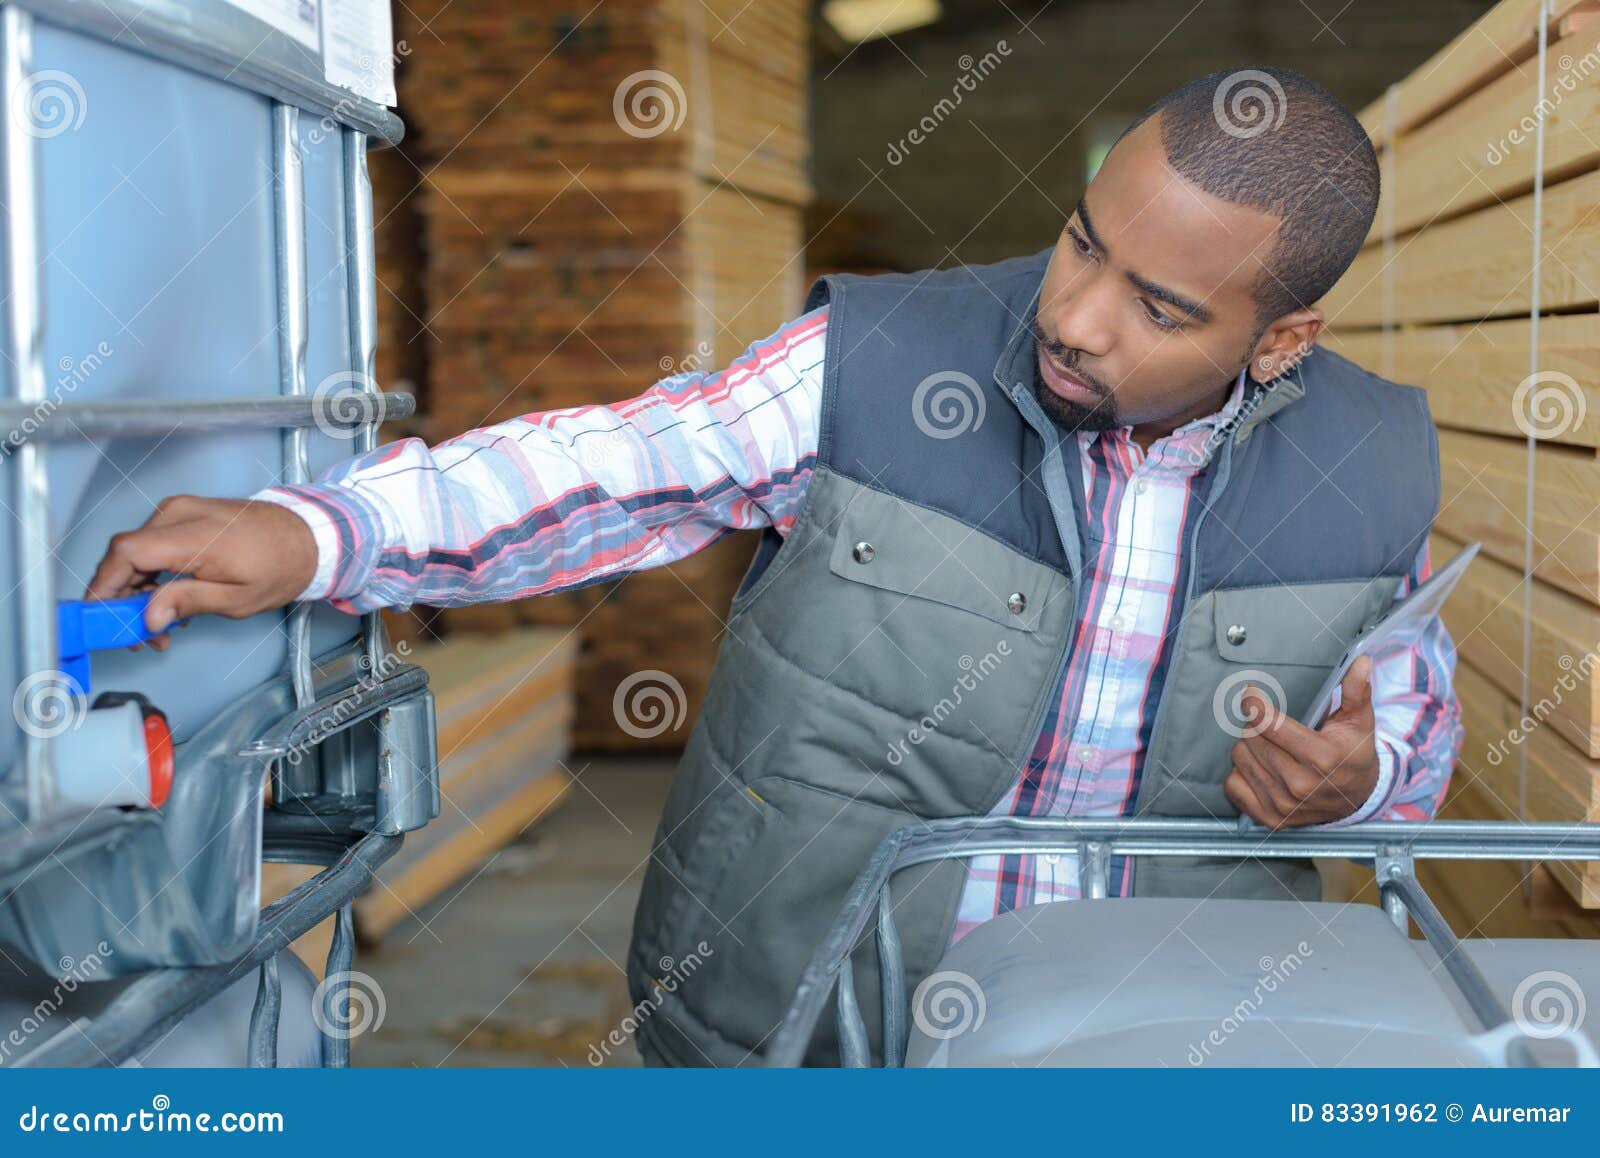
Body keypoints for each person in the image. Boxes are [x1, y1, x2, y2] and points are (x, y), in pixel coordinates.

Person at [87, 67, 1463, 1066]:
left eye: (1159, 308)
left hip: (1142, 1051)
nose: (1079, 319)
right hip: (803, 1037)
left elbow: (1412, 714)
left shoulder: (1375, 468)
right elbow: (618, 464)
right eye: (1081, 244)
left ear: (1280, 341)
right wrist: (328, 531)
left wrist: (1365, 776)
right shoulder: (882, 362)